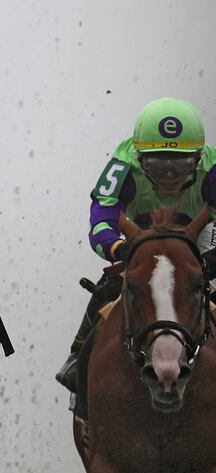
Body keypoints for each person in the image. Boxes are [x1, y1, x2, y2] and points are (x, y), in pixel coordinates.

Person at [56, 97, 216, 392]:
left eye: (179, 166)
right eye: (157, 166)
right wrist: (121, 251)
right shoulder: (122, 166)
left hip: (201, 233)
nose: (169, 176)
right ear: (140, 158)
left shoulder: (213, 167)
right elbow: (101, 221)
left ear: (198, 158)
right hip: (144, 234)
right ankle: (77, 356)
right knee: (112, 286)